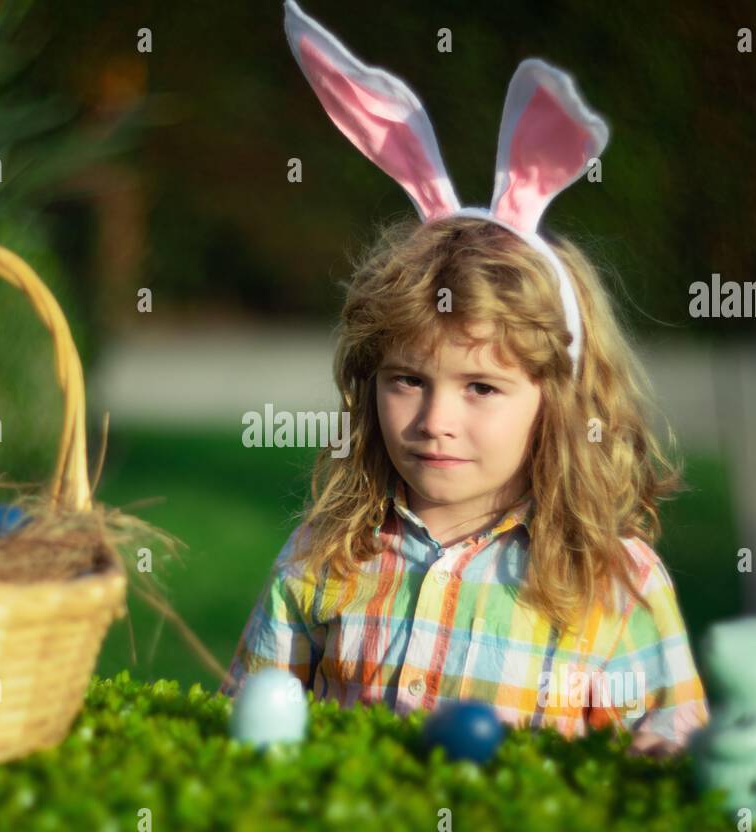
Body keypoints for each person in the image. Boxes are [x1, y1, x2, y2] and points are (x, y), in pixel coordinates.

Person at [220, 1, 710, 758]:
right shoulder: (325, 554)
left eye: (481, 387)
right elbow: (249, 724)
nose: (434, 420)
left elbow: (674, 767)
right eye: (406, 380)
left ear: (560, 399)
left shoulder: (615, 583)